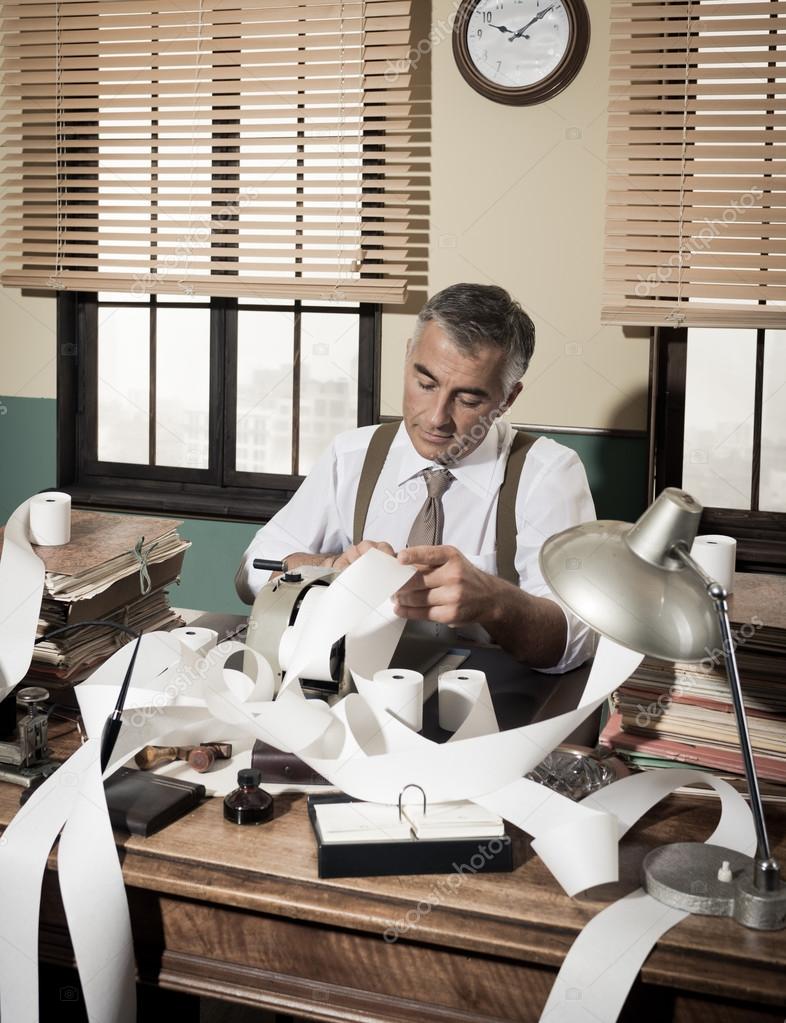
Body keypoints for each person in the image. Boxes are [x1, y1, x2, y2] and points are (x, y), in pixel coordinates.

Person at [236, 283, 596, 672]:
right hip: (356, 689)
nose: (437, 417)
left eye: (469, 400)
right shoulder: (352, 455)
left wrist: (497, 603)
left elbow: (578, 642)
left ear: (508, 398)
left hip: (489, 703)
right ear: (408, 354)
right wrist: (331, 568)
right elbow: (251, 571)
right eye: (425, 384)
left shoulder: (548, 475)